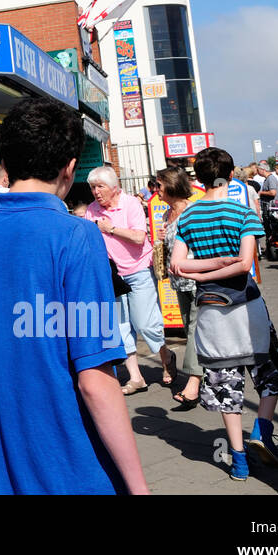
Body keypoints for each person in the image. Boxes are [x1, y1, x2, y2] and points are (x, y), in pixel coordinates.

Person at [0, 97, 148, 494]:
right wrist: (139, 486)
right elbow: (95, 379)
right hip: (70, 467)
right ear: (70, 168)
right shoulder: (77, 235)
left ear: (6, 163)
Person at [172, 147, 278, 480]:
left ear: (199, 178)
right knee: (269, 372)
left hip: (210, 309)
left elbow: (178, 265)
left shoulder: (188, 217)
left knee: (225, 385)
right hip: (246, 305)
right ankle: (261, 430)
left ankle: (238, 459)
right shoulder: (242, 213)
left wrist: (202, 274)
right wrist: (223, 264)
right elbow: (245, 263)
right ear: (230, 174)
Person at [85, 166, 175, 393]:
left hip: (138, 270)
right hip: (111, 275)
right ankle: (136, 378)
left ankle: (166, 355)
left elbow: (138, 237)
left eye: (100, 187)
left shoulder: (131, 204)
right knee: (121, 326)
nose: (96, 192)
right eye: (93, 187)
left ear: (114, 187)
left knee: (146, 323)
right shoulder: (91, 210)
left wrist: (110, 229)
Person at [157, 166, 203, 409]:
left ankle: (193, 383)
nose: (156, 190)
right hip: (178, 280)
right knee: (189, 328)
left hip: (196, 278)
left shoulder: (192, 211)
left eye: (159, 185)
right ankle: (204, 376)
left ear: (172, 185)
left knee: (195, 329)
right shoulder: (167, 214)